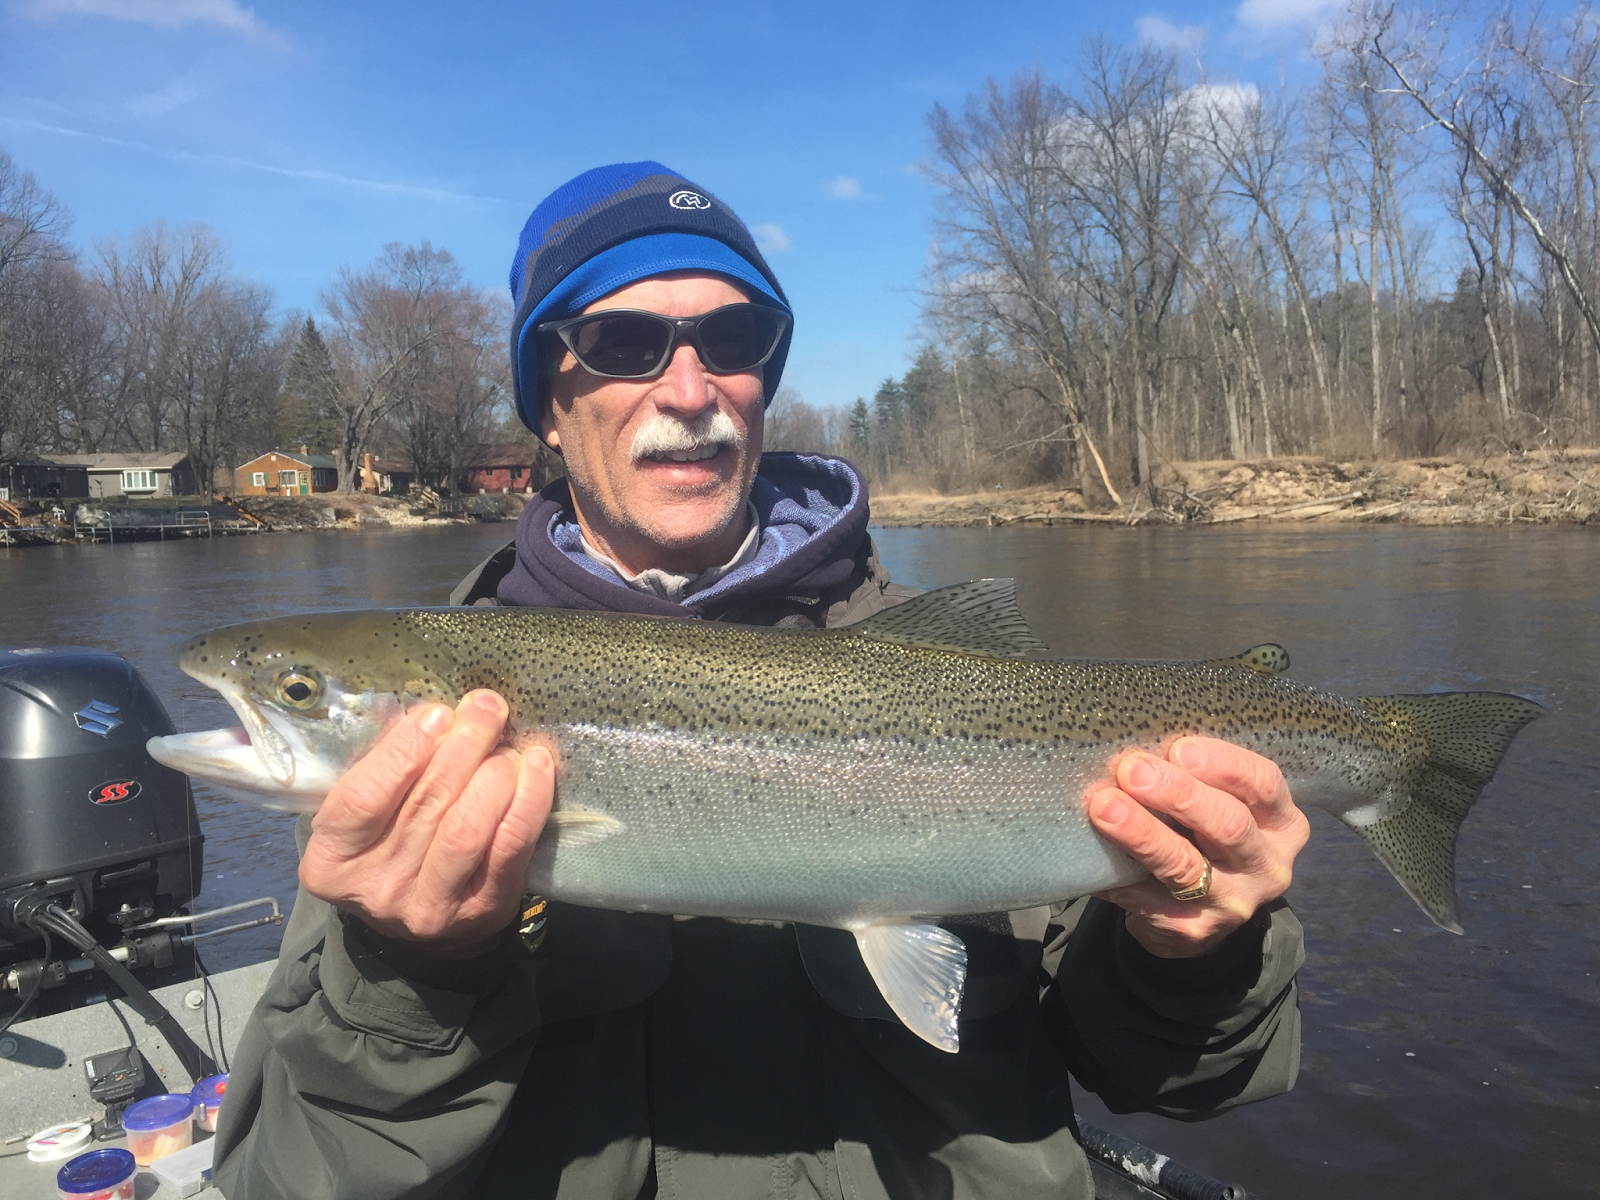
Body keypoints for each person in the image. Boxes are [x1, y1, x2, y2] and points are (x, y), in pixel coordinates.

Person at [212, 162, 1310, 1200]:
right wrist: (408, 972)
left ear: (763, 379)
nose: (689, 389)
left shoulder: (940, 676)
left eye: (732, 337)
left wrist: (1193, 955)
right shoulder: (440, 743)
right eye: (623, 340)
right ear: (546, 403)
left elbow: (1181, 1086)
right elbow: (283, 1174)